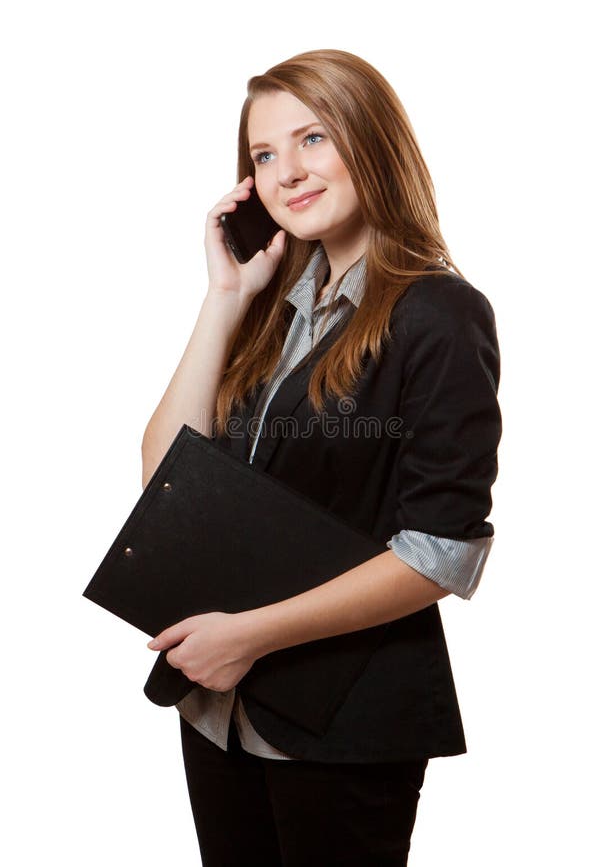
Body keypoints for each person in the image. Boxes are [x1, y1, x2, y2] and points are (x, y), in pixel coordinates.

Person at [141, 49, 502, 867]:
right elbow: (166, 479)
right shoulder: (273, 312)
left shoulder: (440, 315)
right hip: (218, 707)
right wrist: (224, 298)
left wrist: (252, 636)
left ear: (370, 139)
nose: (285, 172)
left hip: (341, 717)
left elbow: (438, 553)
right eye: (263, 155)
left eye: (311, 139)